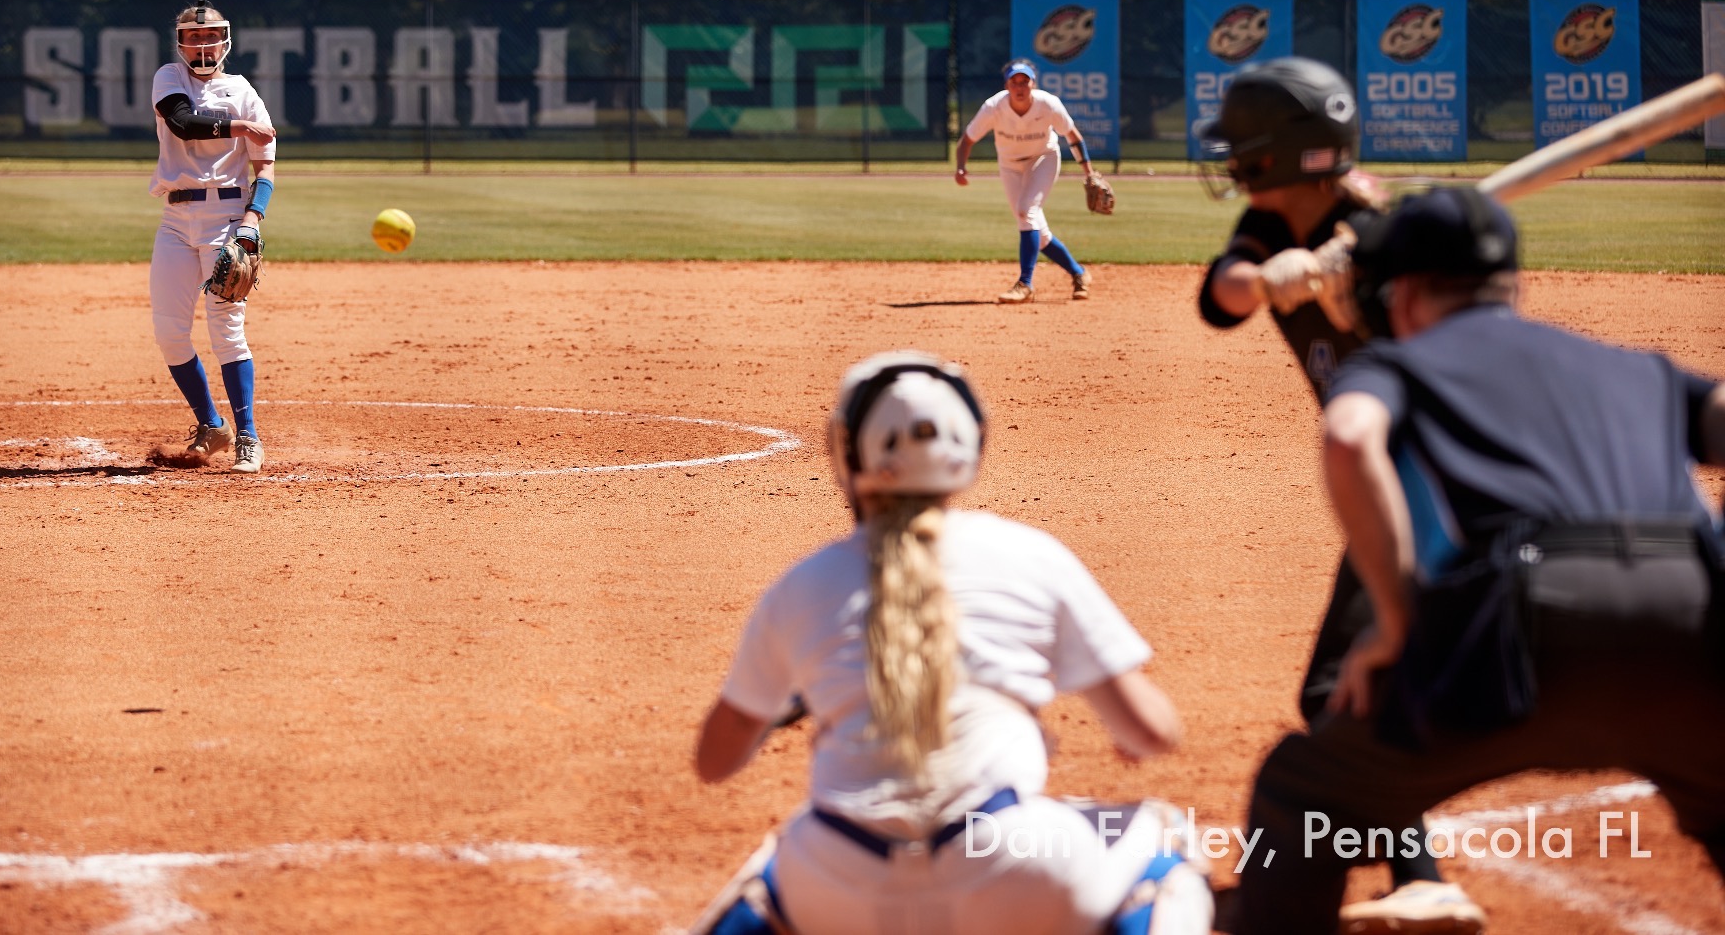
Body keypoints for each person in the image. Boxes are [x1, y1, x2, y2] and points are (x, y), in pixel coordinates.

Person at [1236, 186, 1725, 933]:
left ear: (1400, 296)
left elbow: (1348, 436)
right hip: (1698, 620)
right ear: (1514, 285)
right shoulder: (1630, 364)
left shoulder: (1405, 363)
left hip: (1528, 622)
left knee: (1302, 791)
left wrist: (1397, 622)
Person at [688, 352, 1212, 935]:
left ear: (847, 451)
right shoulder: (1027, 554)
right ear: (971, 447)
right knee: (1162, 836)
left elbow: (714, 763)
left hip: (837, 884)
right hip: (1013, 868)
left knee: (771, 876)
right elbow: (1152, 731)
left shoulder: (804, 584)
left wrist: (787, 706)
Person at [1196, 59, 1483, 935]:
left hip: (1435, 482)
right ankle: (1409, 867)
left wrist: (1358, 290)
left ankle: (1406, 873)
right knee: (1354, 684)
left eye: (1245, 152)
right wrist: (1279, 274)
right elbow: (1221, 299)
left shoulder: (1386, 238)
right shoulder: (1270, 224)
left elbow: (1457, 333)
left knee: (1338, 689)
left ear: (1278, 156)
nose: (1235, 168)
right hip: (1393, 487)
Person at [149, 0, 277, 474]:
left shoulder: (244, 91)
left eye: (209, 35)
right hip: (175, 220)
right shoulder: (169, 78)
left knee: (227, 332)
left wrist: (252, 221)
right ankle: (211, 424)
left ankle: (248, 437)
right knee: (168, 332)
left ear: (225, 39)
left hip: (227, 218)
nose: (202, 44)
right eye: (193, 36)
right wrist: (239, 126)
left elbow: (264, 168)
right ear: (180, 42)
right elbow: (182, 122)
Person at [955, 60, 1099, 304]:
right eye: (1015, 81)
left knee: (1026, 211)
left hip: (1043, 159)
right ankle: (1079, 273)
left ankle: (1025, 284)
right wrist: (960, 168)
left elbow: (1073, 136)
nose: (1020, 86)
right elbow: (967, 140)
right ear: (1007, 85)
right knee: (1034, 229)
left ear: (1033, 83)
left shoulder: (1048, 104)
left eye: (1025, 81)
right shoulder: (994, 107)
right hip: (1009, 165)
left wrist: (1089, 172)